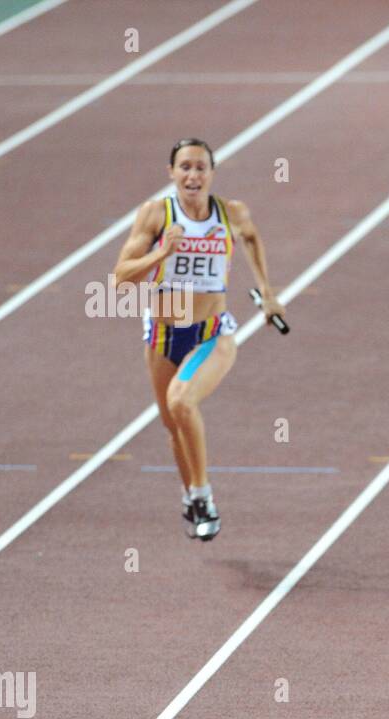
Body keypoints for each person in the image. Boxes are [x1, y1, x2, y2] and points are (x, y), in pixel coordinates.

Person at [113, 138, 282, 539]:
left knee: (182, 402)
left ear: (212, 173)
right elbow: (121, 276)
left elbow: (253, 238)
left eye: (201, 167)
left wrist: (267, 292)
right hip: (164, 331)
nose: (193, 175)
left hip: (211, 333)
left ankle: (204, 495)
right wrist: (160, 254)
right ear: (171, 173)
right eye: (185, 167)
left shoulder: (230, 213)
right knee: (173, 425)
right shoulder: (156, 214)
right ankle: (190, 496)